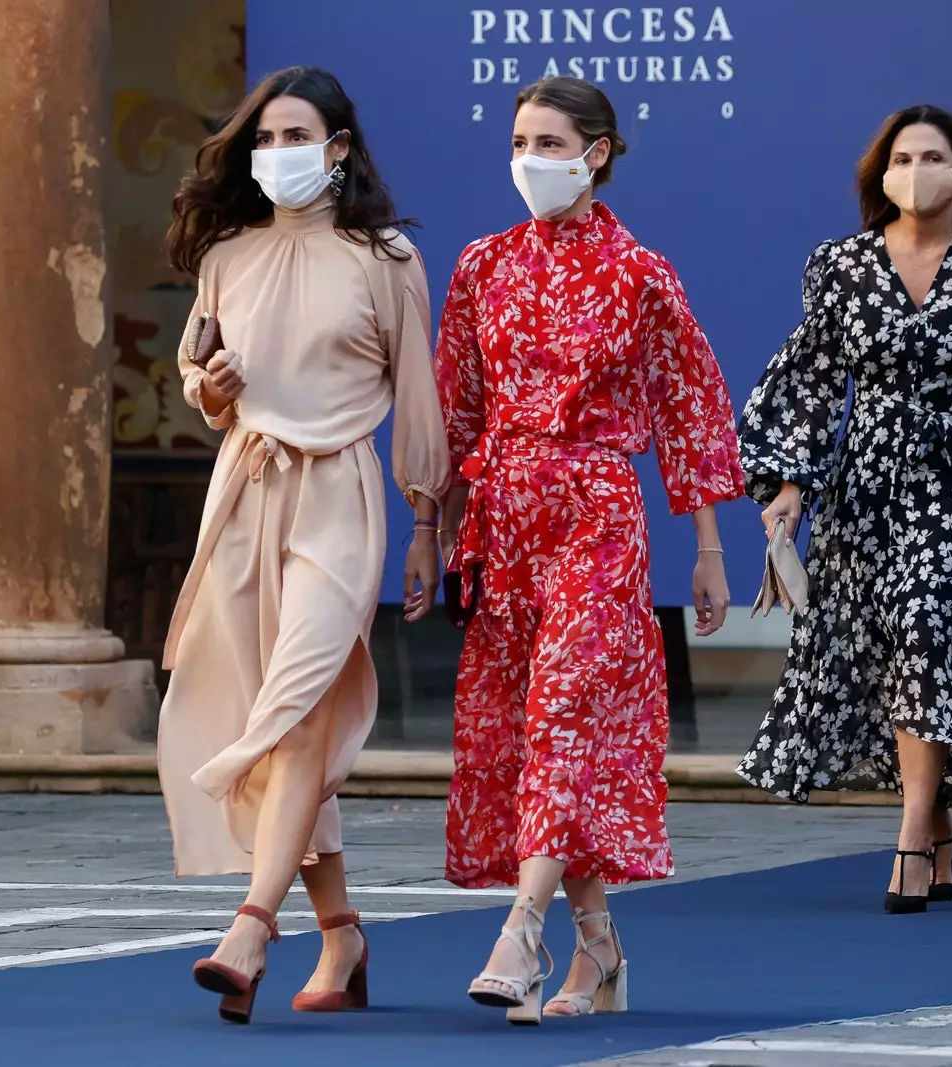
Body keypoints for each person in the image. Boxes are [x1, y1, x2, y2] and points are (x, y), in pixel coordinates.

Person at [434, 76, 744, 1023]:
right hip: (506, 520)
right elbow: (457, 410)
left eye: (549, 141)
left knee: (568, 708)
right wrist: (430, 530)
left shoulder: (642, 275)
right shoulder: (481, 265)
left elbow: (692, 400)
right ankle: (601, 950)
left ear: (596, 153)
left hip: (599, 513)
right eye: (519, 140)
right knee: (536, 729)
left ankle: (520, 931)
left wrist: (707, 547)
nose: (529, 158)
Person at [158, 66, 450, 1021]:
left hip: (341, 496)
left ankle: (250, 926)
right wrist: (215, 386)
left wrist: (425, 521)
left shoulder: (388, 257)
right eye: (265, 138)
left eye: (297, 137)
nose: (278, 153)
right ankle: (342, 936)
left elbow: (418, 396)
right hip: (242, 493)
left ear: (338, 149)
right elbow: (199, 379)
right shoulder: (227, 255)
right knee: (290, 728)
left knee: (296, 709)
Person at [736, 105, 952, 915]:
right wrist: (789, 485)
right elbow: (808, 373)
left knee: (931, 637)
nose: (916, 169)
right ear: (882, 175)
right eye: (902, 157)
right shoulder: (840, 265)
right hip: (864, 485)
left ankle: (910, 834)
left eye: (932, 155)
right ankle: (940, 823)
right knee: (893, 651)